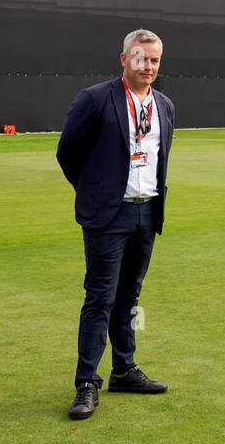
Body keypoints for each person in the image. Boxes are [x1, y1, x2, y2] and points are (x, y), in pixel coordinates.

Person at [56, 29, 175, 420]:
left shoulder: (165, 106)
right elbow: (68, 153)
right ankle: (86, 383)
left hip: (147, 211)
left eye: (155, 60)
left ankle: (123, 369)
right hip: (108, 215)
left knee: (129, 297)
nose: (148, 66)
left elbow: (158, 158)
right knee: (100, 298)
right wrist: (95, 191)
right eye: (141, 58)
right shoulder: (95, 99)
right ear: (123, 59)